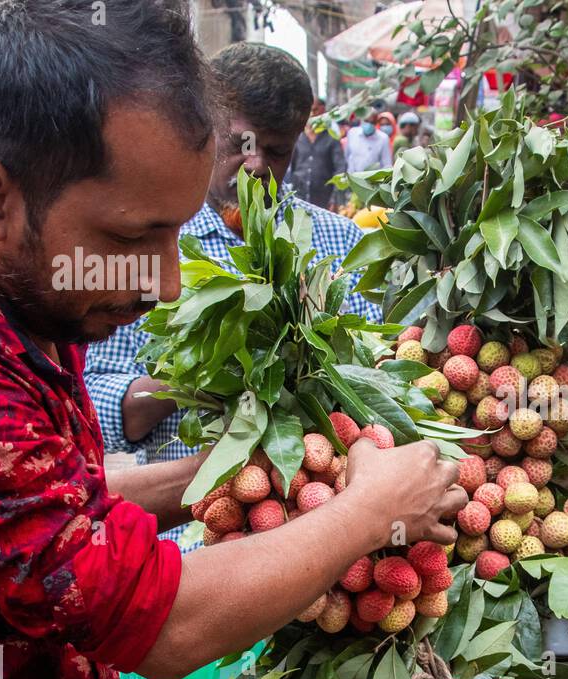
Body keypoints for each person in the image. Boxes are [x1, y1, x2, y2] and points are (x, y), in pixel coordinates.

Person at [0, 0, 464, 679]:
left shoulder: (5, 297)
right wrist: (374, 509)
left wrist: (218, 474)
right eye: (135, 238)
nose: (165, 282)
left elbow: (61, 513)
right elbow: (165, 630)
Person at [85, 42, 378, 549]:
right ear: (203, 130)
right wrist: (192, 375)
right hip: (196, 542)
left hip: (322, 538)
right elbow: (93, 405)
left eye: (277, 150)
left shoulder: (341, 244)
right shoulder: (149, 245)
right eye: (239, 143)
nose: (256, 164)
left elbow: (375, 379)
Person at [289, 97, 347, 210]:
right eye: (308, 111)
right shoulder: (297, 136)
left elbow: (340, 168)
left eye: (315, 110)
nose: (311, 114)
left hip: (323, 198)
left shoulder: (331, 138)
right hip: (299, 196)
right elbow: (292, 166)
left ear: (323, 111)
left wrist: (335, 198)